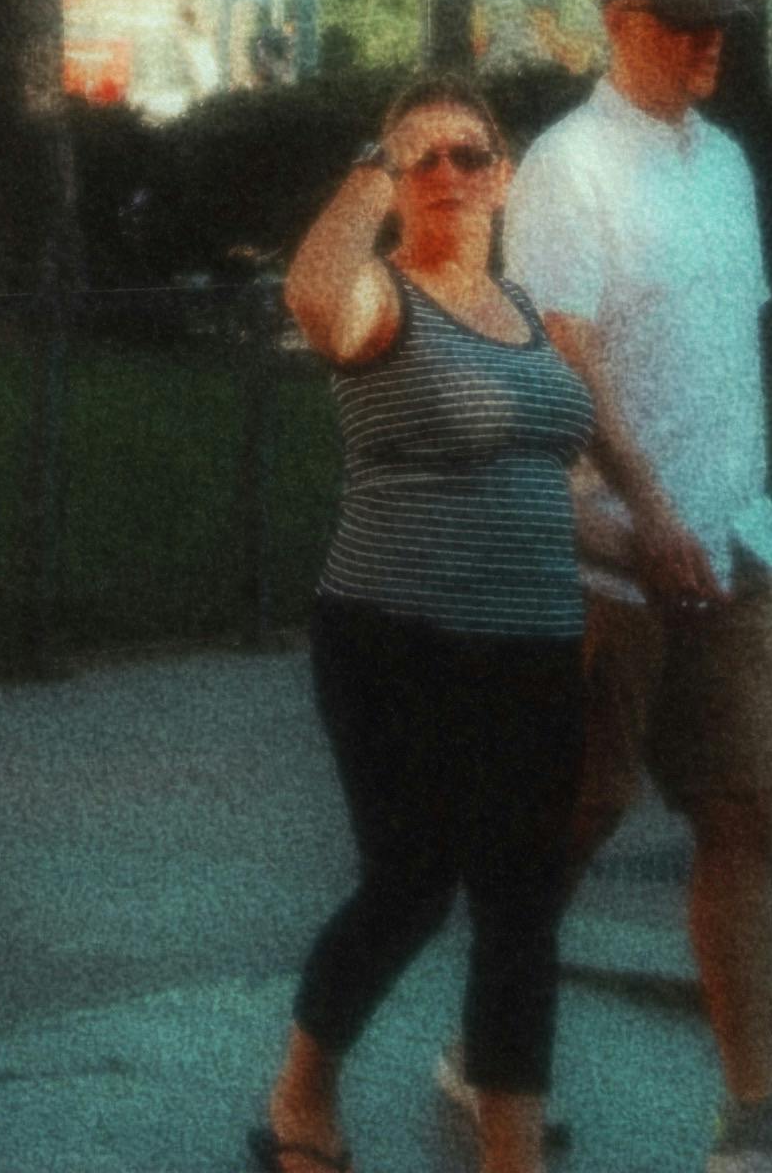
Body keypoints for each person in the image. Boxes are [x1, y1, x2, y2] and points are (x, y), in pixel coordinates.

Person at [508, 0, 772, 1171]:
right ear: (622, 22)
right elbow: (565, 358)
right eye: (687, 25)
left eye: (720, 25)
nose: (711, 46)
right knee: (575, 816)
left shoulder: (725, 165)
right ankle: (489, 1050)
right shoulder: (567, 169)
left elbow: (722, 348)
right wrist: (646, 513)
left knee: (742, 811)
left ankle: (753, 1115)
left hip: (735, 542)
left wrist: (727, 511)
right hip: (611, 559)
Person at [254, 75, 598, 1173]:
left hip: (536, 648)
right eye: (423, 158)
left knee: (521, 909)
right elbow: (312, 295)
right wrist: (374, 163)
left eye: (469, 155)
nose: (449, 173)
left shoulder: (531, 316)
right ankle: (302, 1091)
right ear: (395, 183)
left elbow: (552, 478)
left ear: (503, 177)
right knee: (408, 888)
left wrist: (661, 548)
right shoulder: (380, 300)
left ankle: (512, 1159)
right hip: (397, 644)